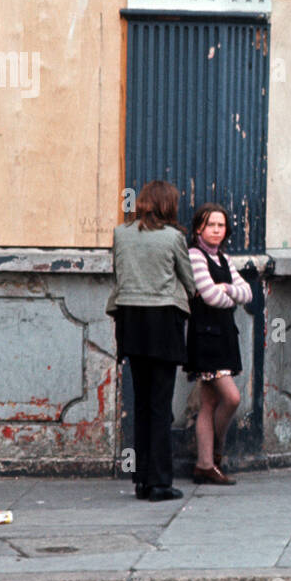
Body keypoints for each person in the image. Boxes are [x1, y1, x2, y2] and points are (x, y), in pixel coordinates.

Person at [107, 180, 197, 502]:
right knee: (160, 406)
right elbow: (189, 281)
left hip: (130, 321)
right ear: (168, 205)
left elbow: (118, 274)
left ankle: (142, 478)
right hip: (163, 323)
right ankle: (159, 482)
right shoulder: (174, 238)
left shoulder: (121, 234)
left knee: (142, 403)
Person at [185, 202, 252, 486]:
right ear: (199, 228)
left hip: (224, 335)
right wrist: (228, 296)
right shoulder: (195, 255)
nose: (216, 230)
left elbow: (247, 293)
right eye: (210, 225)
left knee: (209, 402)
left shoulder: (224, 259)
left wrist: (226, 289)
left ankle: (205, 464)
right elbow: (208, 296)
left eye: (221, 225)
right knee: (231, 398)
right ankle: (215, 452)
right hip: (205, 338)